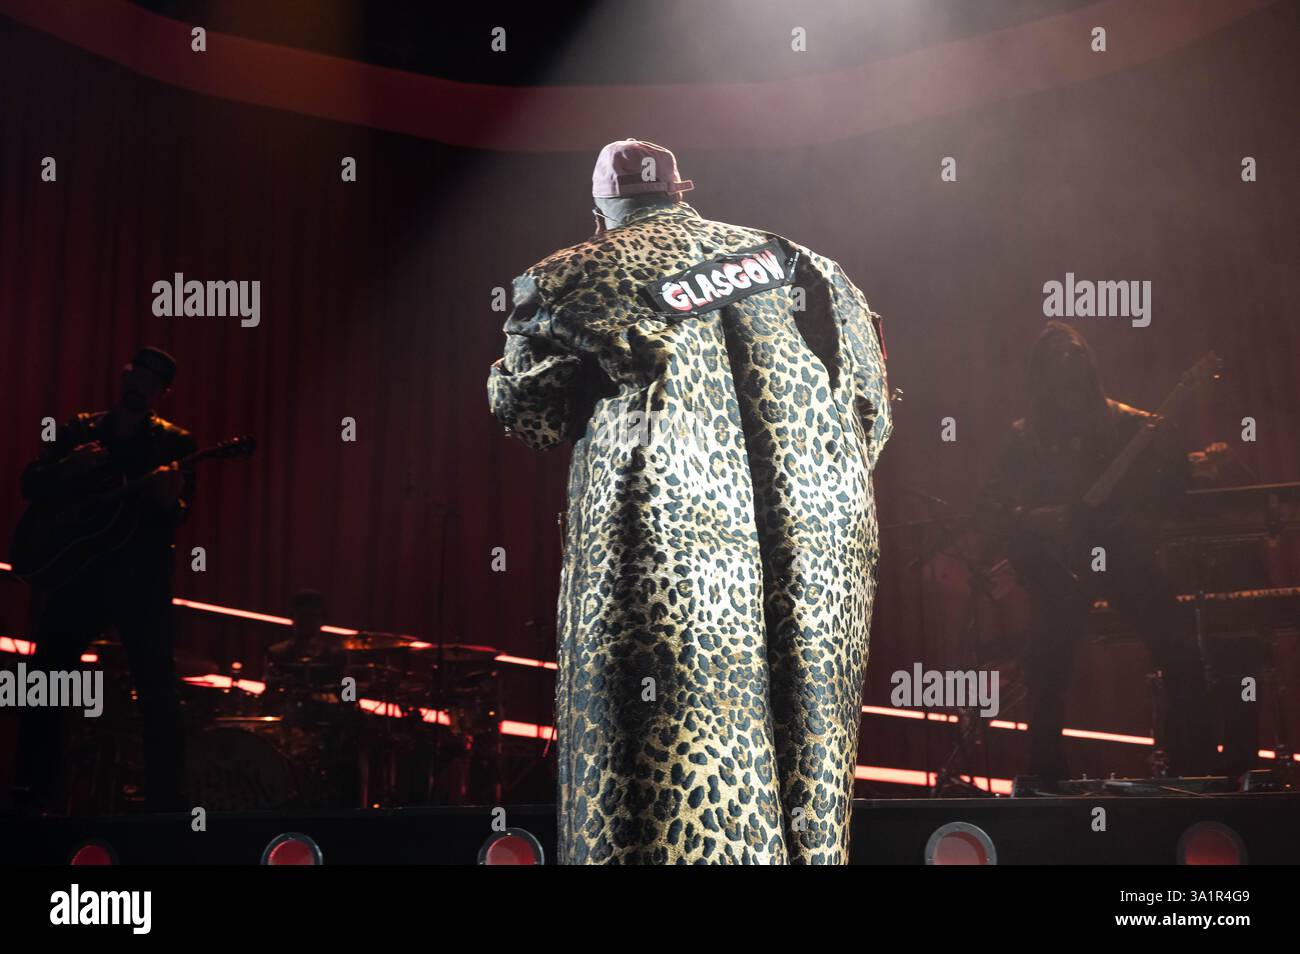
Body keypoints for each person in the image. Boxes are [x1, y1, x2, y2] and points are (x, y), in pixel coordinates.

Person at [487, 140, 892, 863]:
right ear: (682, 190)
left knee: (666, 800)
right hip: (820, 570)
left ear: (601, 212)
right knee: (811, 794)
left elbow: (532, 416)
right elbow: (875, 419)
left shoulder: (569, 277)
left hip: (667, 571)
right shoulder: (809, 266)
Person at [976, 322, 1214, 787]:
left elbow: (1169, 492)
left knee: (1179, 646)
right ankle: (1045, 772)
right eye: (1058, 360)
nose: (1070, 366)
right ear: (1041, 375)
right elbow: (986, 509)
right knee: (1047, 662)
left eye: (1076, 356)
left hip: (1119, 554)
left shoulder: (1128, 424)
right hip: (1058, 564)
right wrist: (1031, 516)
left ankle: (1198, 764)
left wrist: (1187, 465)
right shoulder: (1024, 438)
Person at [13, 347, 195, 812]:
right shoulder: (77, 430)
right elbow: (30, 484)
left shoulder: (174, 444)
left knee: (158, 692)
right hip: (79, 577)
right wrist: (67, 468)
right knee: (46, 683)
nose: (141, 388)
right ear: (124, 376)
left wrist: (168, 500)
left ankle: (166, 806)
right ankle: (33, 795)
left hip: (139, 582)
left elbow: (176, 516)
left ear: (162, 393)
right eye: (137, 378)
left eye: (152, 385)